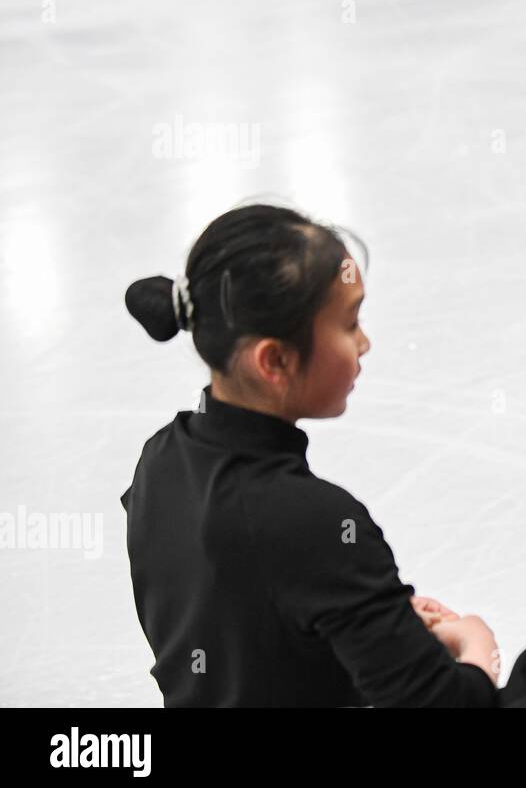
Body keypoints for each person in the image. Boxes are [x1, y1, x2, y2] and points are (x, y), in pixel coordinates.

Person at [122, 203, 499, 706]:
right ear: (274, 360)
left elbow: (240, 611)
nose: (364, 343)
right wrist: (476, 645)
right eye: (349, 324)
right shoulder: (314, 521)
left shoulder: (160, 461)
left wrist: (374, 617)